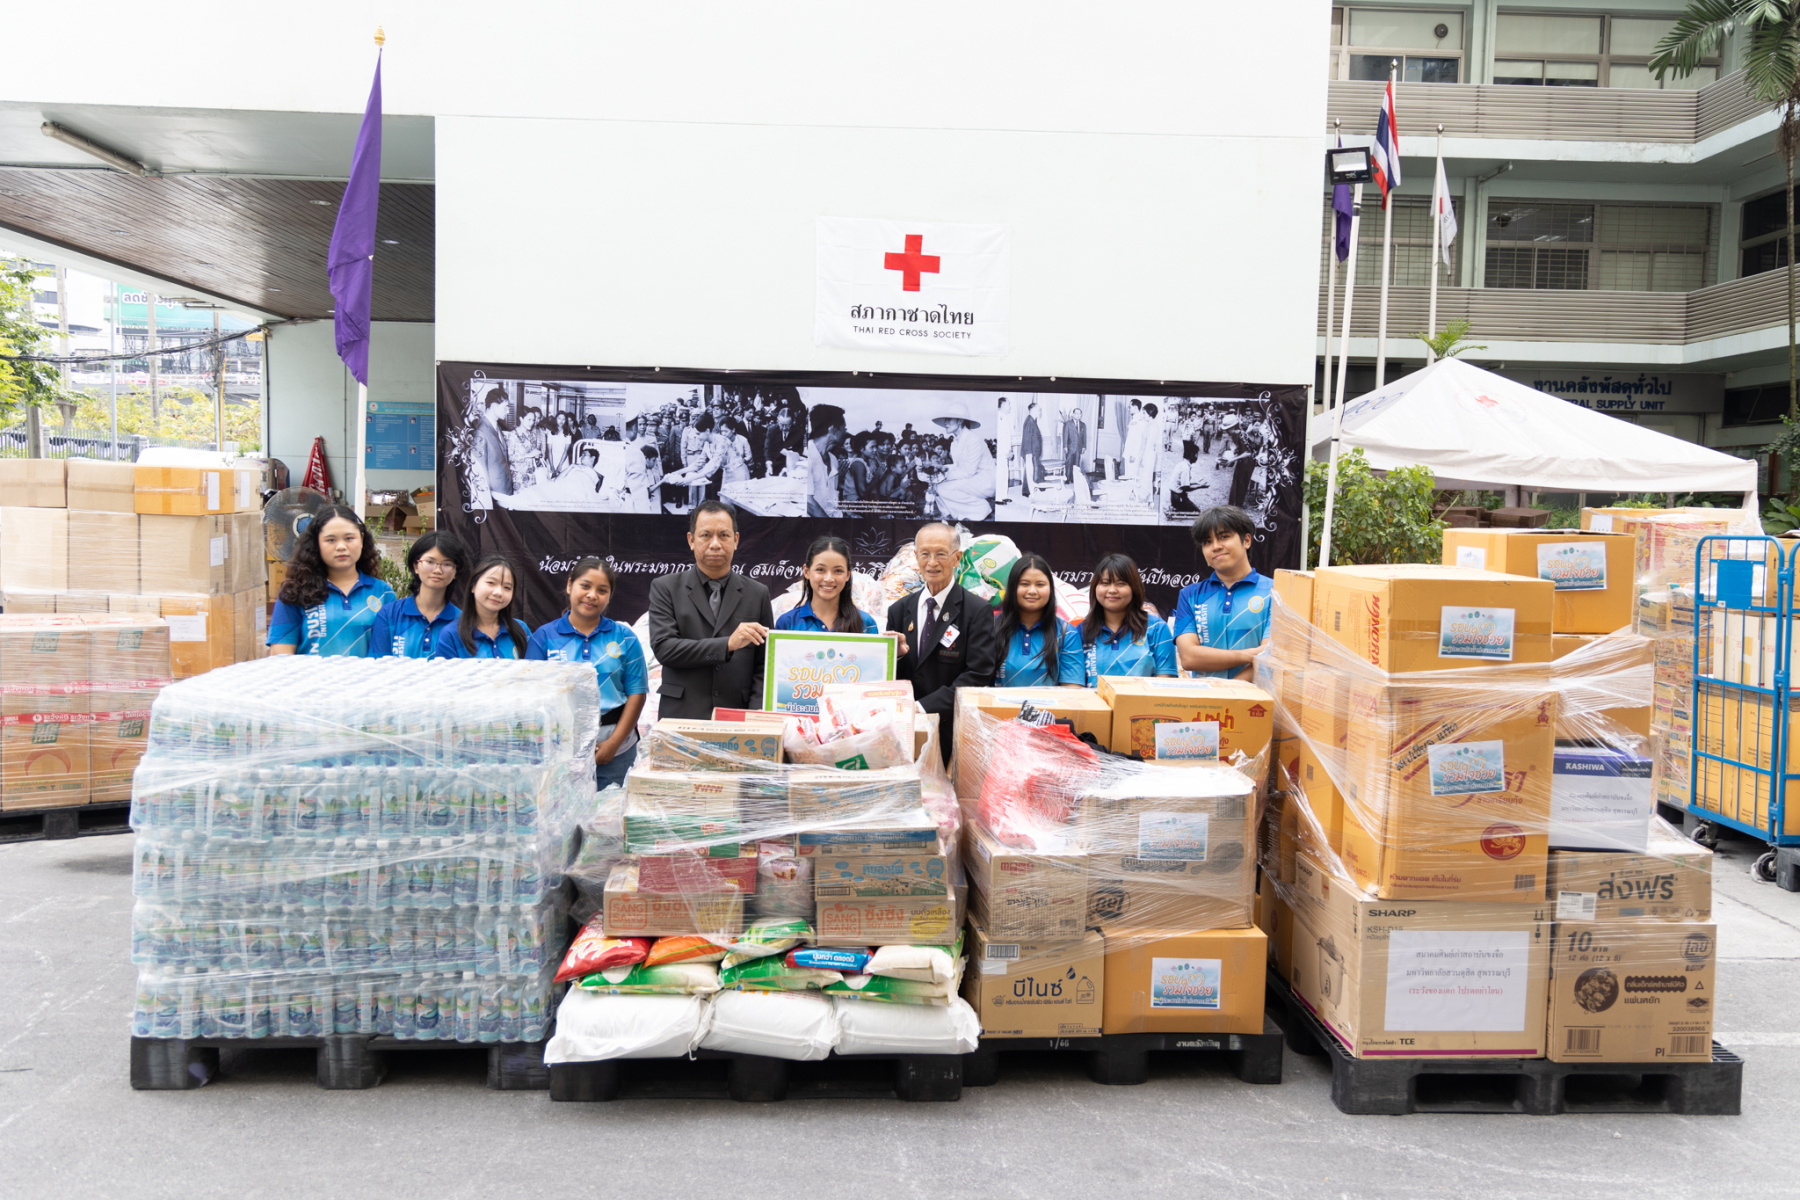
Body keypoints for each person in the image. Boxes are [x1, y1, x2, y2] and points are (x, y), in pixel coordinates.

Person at [648, 500, 776, 719]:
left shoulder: (757, 593)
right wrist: (727, 644)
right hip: (681, 716)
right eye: (706, 535)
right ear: (691, 540)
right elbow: (665, 648)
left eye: (724, 535)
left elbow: (764, 664)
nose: (715, 544)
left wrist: (755, 714)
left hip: (739, 717)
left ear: (736, 540)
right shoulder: (665, 588)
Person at [528, 557, 648, 788]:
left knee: (608, 819)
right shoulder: (543, 637)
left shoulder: (625, 637)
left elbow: (637, 694)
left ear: (609, 596)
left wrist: (613, 744)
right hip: (560, 750)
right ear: (569, 585)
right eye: (585, 586)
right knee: (562, 822)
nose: (592, 595)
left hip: (616, 749)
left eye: (602, 590)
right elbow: (533, 697)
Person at [885, 522, 997, 763]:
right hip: (903, 731)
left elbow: (978, 675)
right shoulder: (899, 610)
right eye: (925, 554)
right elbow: (890, 677)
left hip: (951, 732)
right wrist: (898, 656)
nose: (932, 562)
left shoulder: (977, 610)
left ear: (957, 558)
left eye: (941, 554)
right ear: (916, 557)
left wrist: (923, 708)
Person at [267, 504, 395, 657]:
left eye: (349, 538)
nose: (341, 546)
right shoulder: (294, 593)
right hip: (311, 680)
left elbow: (392, 653)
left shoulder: (383, 592)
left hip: (367, 679)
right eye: (330, 540)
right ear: (317, 544)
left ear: (361, 539)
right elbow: (280, 655)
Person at [1172, 504, 1273, 681]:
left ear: (1247, 540)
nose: (1216, 546)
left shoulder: (1275, 592)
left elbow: (1272, 659)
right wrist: (1251, 654)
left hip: (1258, 704)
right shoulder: (1189, 595)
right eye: (1207, 542)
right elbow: (1188, 658)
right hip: (1205, 704)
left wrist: (1229, 694)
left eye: (1224, 537)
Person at [368, 530, 469, 658]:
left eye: (447, 564)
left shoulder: (463, 623)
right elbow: (377, 665)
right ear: (416, 566)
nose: (437, 570)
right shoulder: (389, 615)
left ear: (456, 571)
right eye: (430, 562)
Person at [1079, 553, 1177, 683]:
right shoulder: (1080, 632)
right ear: (1095, 587)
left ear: (1134, 588)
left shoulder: (1157, 629)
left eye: (1120, 583)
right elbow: (1073, 685)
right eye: (1105, 583)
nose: (1112, 590)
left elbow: (1166, 683)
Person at [994, 552, 1083, 687]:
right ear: (1012, 588)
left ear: (1051, 589)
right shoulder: (991, 626)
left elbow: (1072, 690)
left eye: (1040, 585)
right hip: (997, 708)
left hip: (1049, 708)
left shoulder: (1067, 634)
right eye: (1024, 584)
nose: (1032, 591)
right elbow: (978, 681)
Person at [775, 536, 881, 634]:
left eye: (838, 570)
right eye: (820, 570)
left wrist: (896, 652)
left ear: (848, 574)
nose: (829, 579)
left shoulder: (866, 623)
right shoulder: (787, 623)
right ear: (806, 572)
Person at [432, 555, 531, 659]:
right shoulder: (451, 635)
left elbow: (533, 671)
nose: (498, 592)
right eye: (491, 583)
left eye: (507, 587)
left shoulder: (521, 629)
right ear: (473, 586)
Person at [929, 405, 996, 520]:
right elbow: (957, 466)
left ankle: (981, 508)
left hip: (985, 480)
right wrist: (941, 467)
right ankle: (948, 513)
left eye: (949, 419)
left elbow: (969, 471)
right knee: (936, 485)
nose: (946, 423)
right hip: (971, 477)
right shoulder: (954, 442)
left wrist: (945, 474)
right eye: (946, 420)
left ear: (960, 421)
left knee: (943, 488)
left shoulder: (973, 439)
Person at [806, 404, 847, 518]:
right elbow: (808, 503)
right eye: (844, 428)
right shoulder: (807, 455)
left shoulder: (833, 460)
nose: (845, 432)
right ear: (833, 430)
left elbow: (831, 500)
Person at [474, 387, 513, 498]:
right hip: (494, 494)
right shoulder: (480, 431)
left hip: (505, 490)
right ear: (495, 406)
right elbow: (480, 472)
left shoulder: (496, 426)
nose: (508, 411)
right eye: (506, 407)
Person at [1166, 439, 1211, 512]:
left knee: (1193, 508)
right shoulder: (1185, 468)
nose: (1197, 457)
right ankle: (1176, 507)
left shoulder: (1182, 464)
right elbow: (1185, 487)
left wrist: (1197, 483)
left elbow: (1183, 483)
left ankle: (1177, 507)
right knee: (1197, 511)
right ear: (1192, 455)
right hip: (1178, 498)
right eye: (1196, 455)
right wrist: (1200, 486)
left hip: (1175, 496)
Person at [1019, 399, 1044, 496]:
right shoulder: (1030, 421)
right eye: (1039, 410)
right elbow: (1027, 438)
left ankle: (1028, 490)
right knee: (1030, 471)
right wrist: (1028, 453)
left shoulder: (1032, 420)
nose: (1040, 412)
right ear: (1033, 410)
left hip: (1033, 451)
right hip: (1030, 452)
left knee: (1031, 471)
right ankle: (1028, 491)